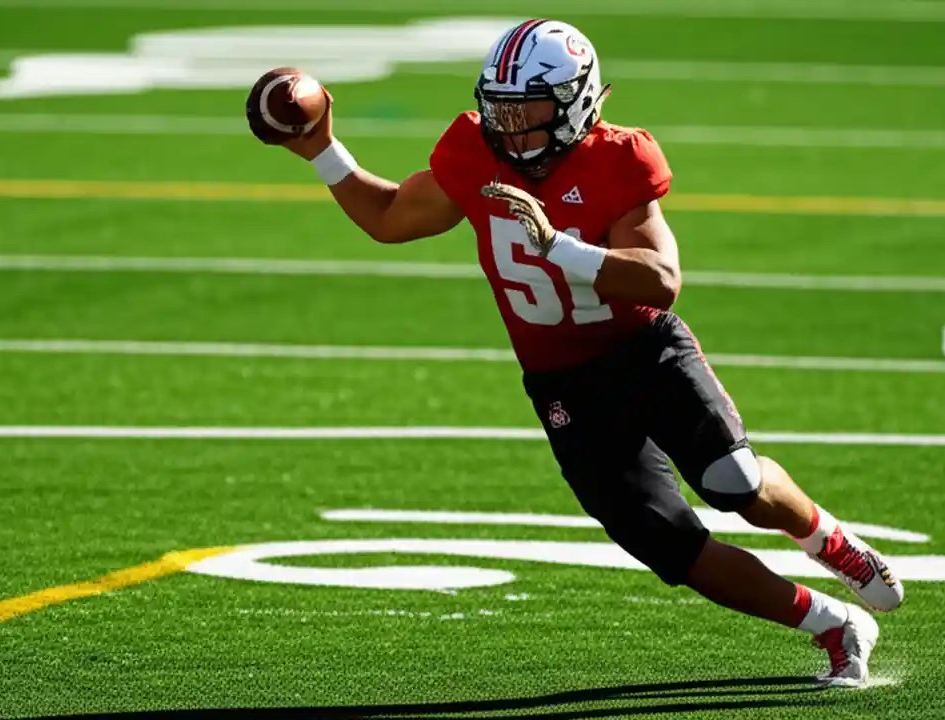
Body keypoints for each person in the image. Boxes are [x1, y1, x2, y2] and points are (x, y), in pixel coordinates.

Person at [274, 19, 903, 687]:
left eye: (530, 113)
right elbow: (392, 216)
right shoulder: (472, 152)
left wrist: (558, 246)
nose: (512, 130)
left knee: (733, 482)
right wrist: (322, 151)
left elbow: (661, 280)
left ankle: (828, 541)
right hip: (562, 383)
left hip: (644, 351)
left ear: (577, 104)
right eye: (502, 111)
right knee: (666, 545)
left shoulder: (618, 157)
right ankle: (834, 626)